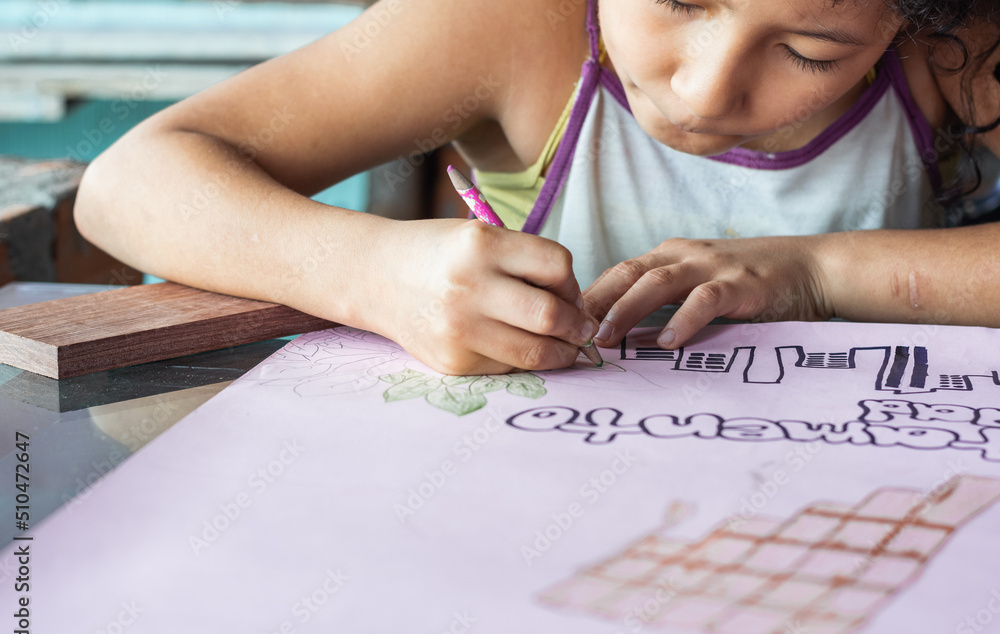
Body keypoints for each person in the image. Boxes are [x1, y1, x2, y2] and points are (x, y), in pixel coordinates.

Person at [74, 0, 1000, 375]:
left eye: (811, 52)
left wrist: (815, 271)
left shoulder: (950, 48)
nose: (704, 88)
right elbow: (128, 183)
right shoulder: (516, 22)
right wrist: (369, 274)